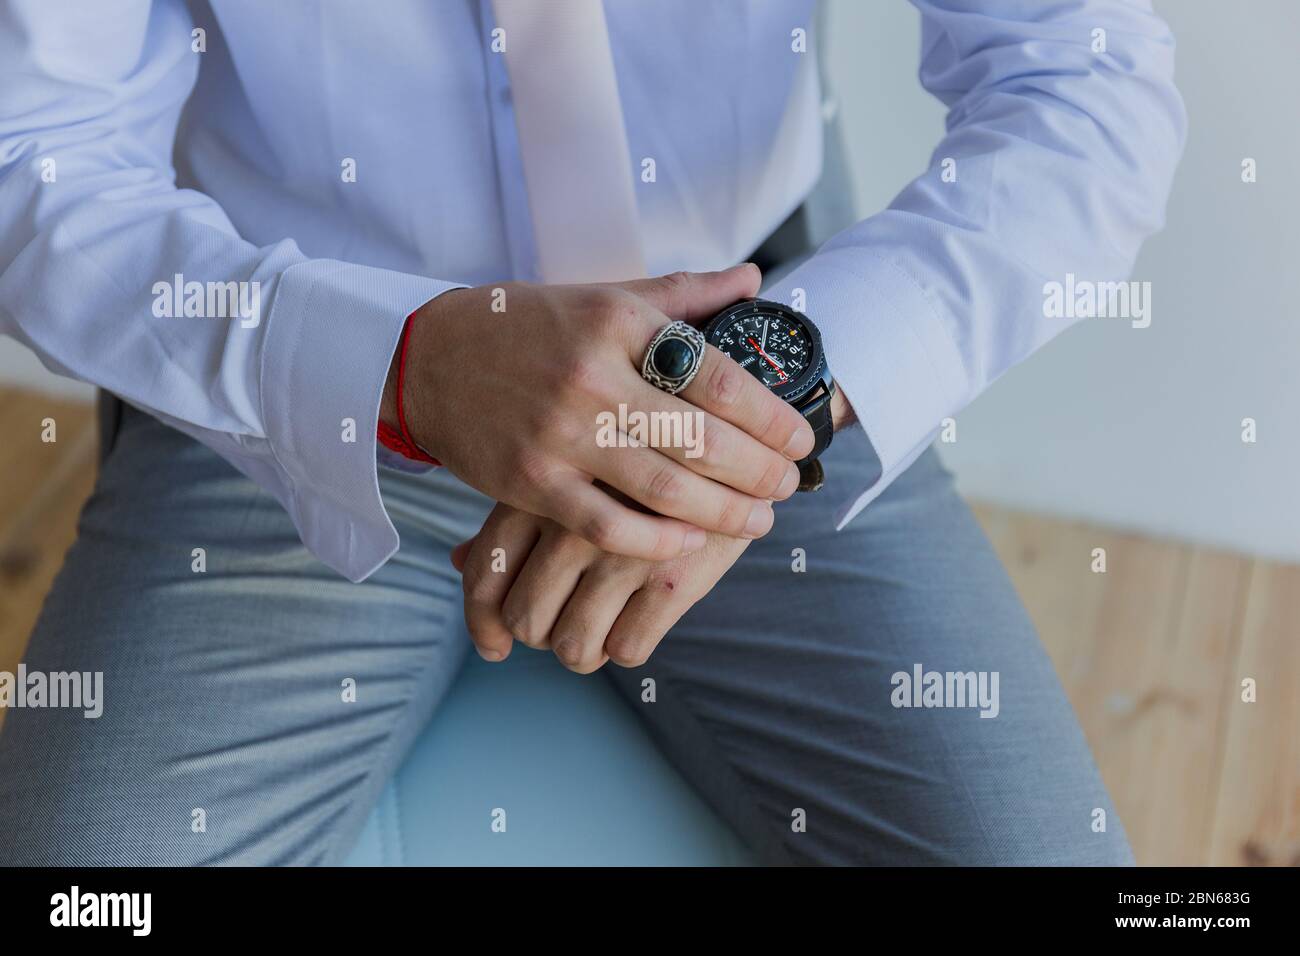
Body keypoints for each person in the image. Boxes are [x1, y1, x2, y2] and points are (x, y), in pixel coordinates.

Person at [0, 0, 1185, 865]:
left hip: (757, 360)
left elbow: (1085, 81)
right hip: (297, 380)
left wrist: (744, 411)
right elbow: (28, 149)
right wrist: (401, 367)